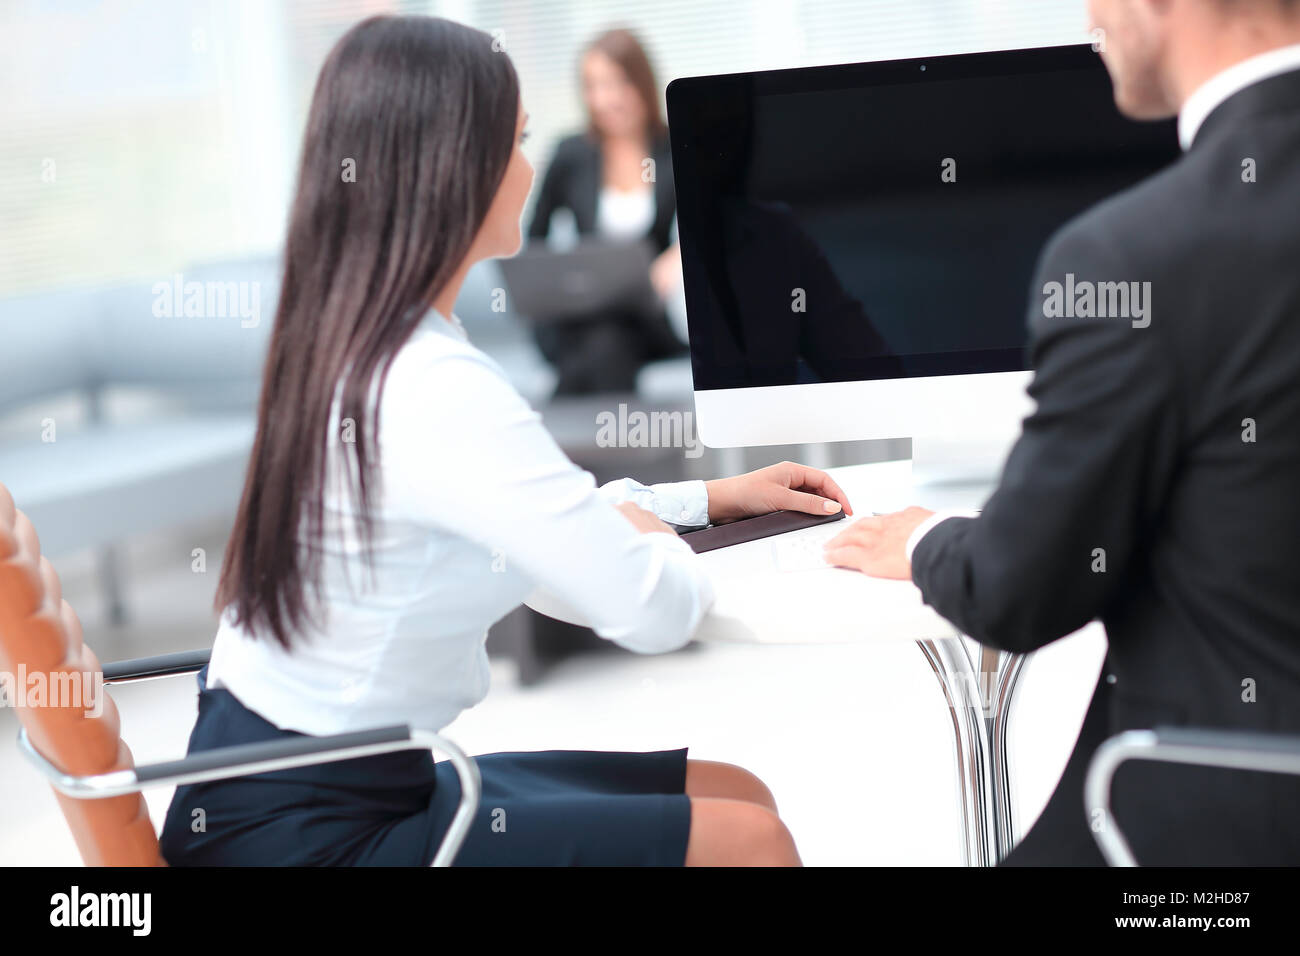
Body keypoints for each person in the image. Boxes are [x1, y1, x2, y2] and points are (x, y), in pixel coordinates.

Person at [158, 15, 854, 867]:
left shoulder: (371, 344)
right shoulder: (429, 385)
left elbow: (531, 542)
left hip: (310, 780)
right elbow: (650, 609)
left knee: (739, 795)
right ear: (457, 167)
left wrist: (703, 502)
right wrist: (658, 548)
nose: (530, 166)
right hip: (313, 829)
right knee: (749, 841)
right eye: (517, 140)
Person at [825, 0, 1300, 865]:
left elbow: (1017, 594)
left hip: (1229, 817)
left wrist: (927, 536)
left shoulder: (1136, 257)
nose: (1092, 17)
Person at [525, 28, 687, 394]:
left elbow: (712, 223)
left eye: (615, 83)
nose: (603, 99)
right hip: (579, 315)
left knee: (606, 342)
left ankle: (564, 446)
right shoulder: (571, 154)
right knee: (600, 340)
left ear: (641, 82)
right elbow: (535, 240)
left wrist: (678, 255)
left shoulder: (673, 149)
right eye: (592, 85)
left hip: (644, 319)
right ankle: (619, 445)